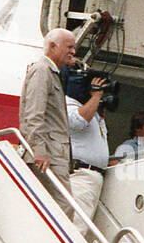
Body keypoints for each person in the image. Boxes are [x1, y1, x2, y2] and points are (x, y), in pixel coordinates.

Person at [19, 28, 77, 190]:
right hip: (48, 155)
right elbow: (33, 114)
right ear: (53, 46)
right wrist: (39, 151)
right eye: (69, 47)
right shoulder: (42, 71)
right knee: (63, 206)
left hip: (54, 155)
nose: (73, 51)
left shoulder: (52, 73)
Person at [65, 72, 111, 232]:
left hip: (92, 179)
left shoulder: (93, 108)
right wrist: (96, 96)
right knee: (76, 229)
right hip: (81, 175)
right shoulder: (68, 102)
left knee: (82, 229)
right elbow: (77, 122)